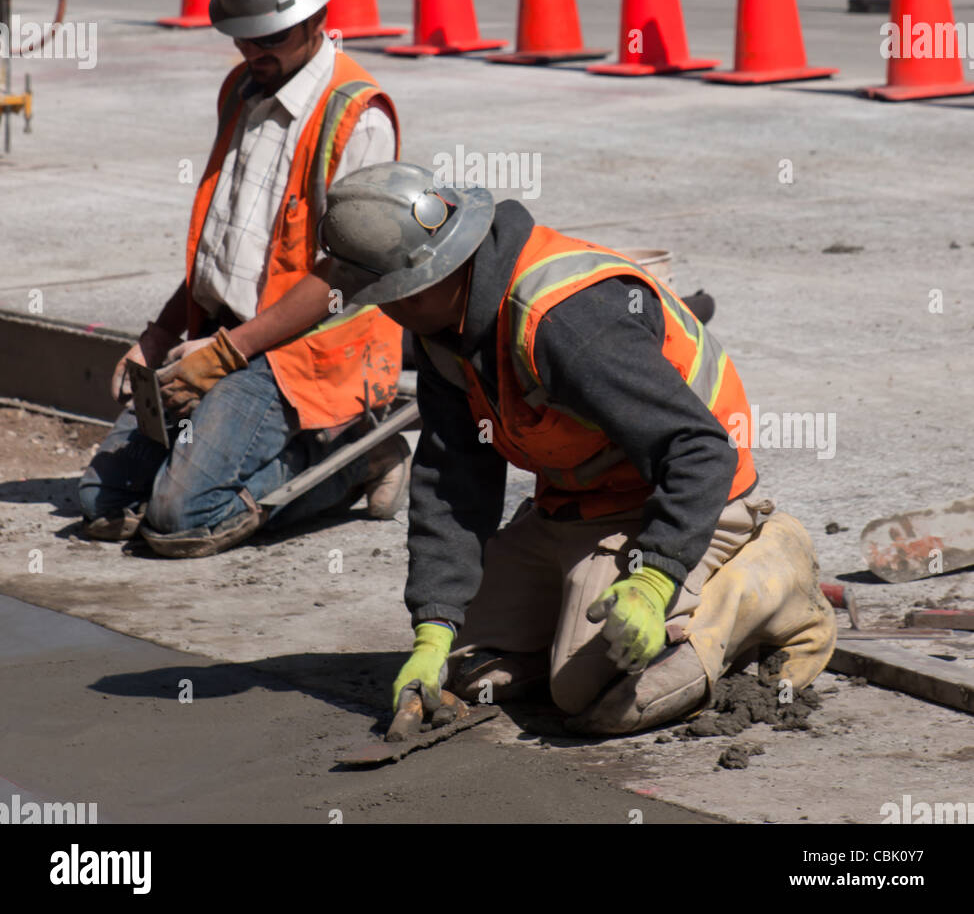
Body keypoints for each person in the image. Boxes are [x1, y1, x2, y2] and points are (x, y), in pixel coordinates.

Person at [319, 160, 836, 735]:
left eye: (380, 297)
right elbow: (453, 478)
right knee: (469, 667)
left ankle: (770, 571)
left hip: (693, 497)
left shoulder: (563, 321)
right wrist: (433, 627)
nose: (382, 311)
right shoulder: (447, 333)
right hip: (577, 506)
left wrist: (654, 577)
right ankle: (571, 609)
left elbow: (699, 449)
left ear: (414, 288)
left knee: (595, 695)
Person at [78, 0, 408, 557]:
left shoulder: (357, 116)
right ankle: (227, 447)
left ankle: (356, 458)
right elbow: (220, 250)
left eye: (272, 36)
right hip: (227, 334)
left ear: (318, 17)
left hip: (301, 350)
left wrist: (230, 355)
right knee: (104, 504)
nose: (255, 51)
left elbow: (345, 274)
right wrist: (159, 338)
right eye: (242, 37)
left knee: (181, 520)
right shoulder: (242, 92)